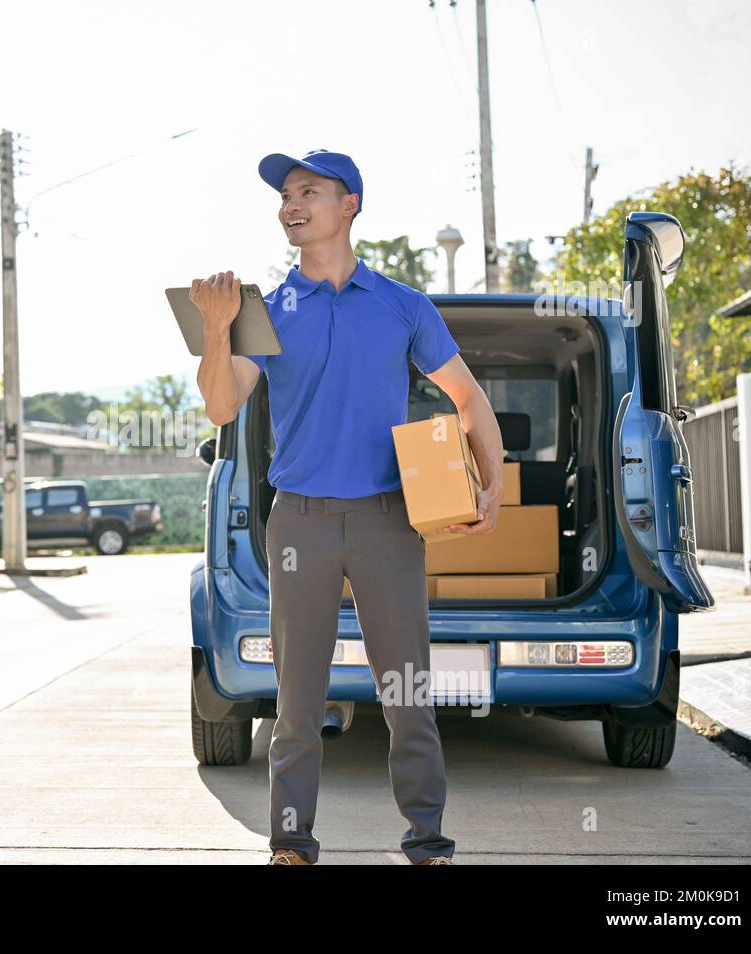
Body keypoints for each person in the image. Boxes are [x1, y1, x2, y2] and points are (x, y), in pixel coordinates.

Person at [191, 149, 505, 866]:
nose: (290, 204)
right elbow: (219, 404)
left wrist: (494, 483)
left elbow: (468, 399)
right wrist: (215, 326)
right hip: (298, 519)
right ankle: (291, 842)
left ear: (350, 204)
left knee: (407, 695)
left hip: (388, 520)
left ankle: (428, 841)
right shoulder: (267, 312)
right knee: (297, 701)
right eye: (285, 195)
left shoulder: (402, 305)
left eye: (308, 191)